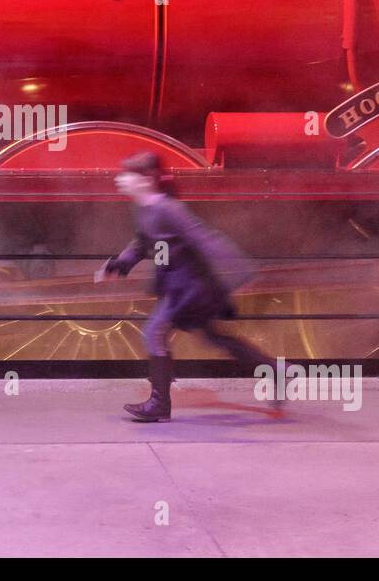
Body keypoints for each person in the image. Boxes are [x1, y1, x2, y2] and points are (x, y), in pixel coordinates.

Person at [96, 151, 279, 422]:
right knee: (214, 338)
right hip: (179, 286)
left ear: (146, 179)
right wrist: (117, 265)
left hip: (191, 288)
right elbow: (141, 244)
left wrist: (239, 271)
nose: (120, 179)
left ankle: (159, 404)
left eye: (127, 174)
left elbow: (203, 238)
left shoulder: (168, 209)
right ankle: (278, 371)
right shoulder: (145, 209)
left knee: (155, 331)